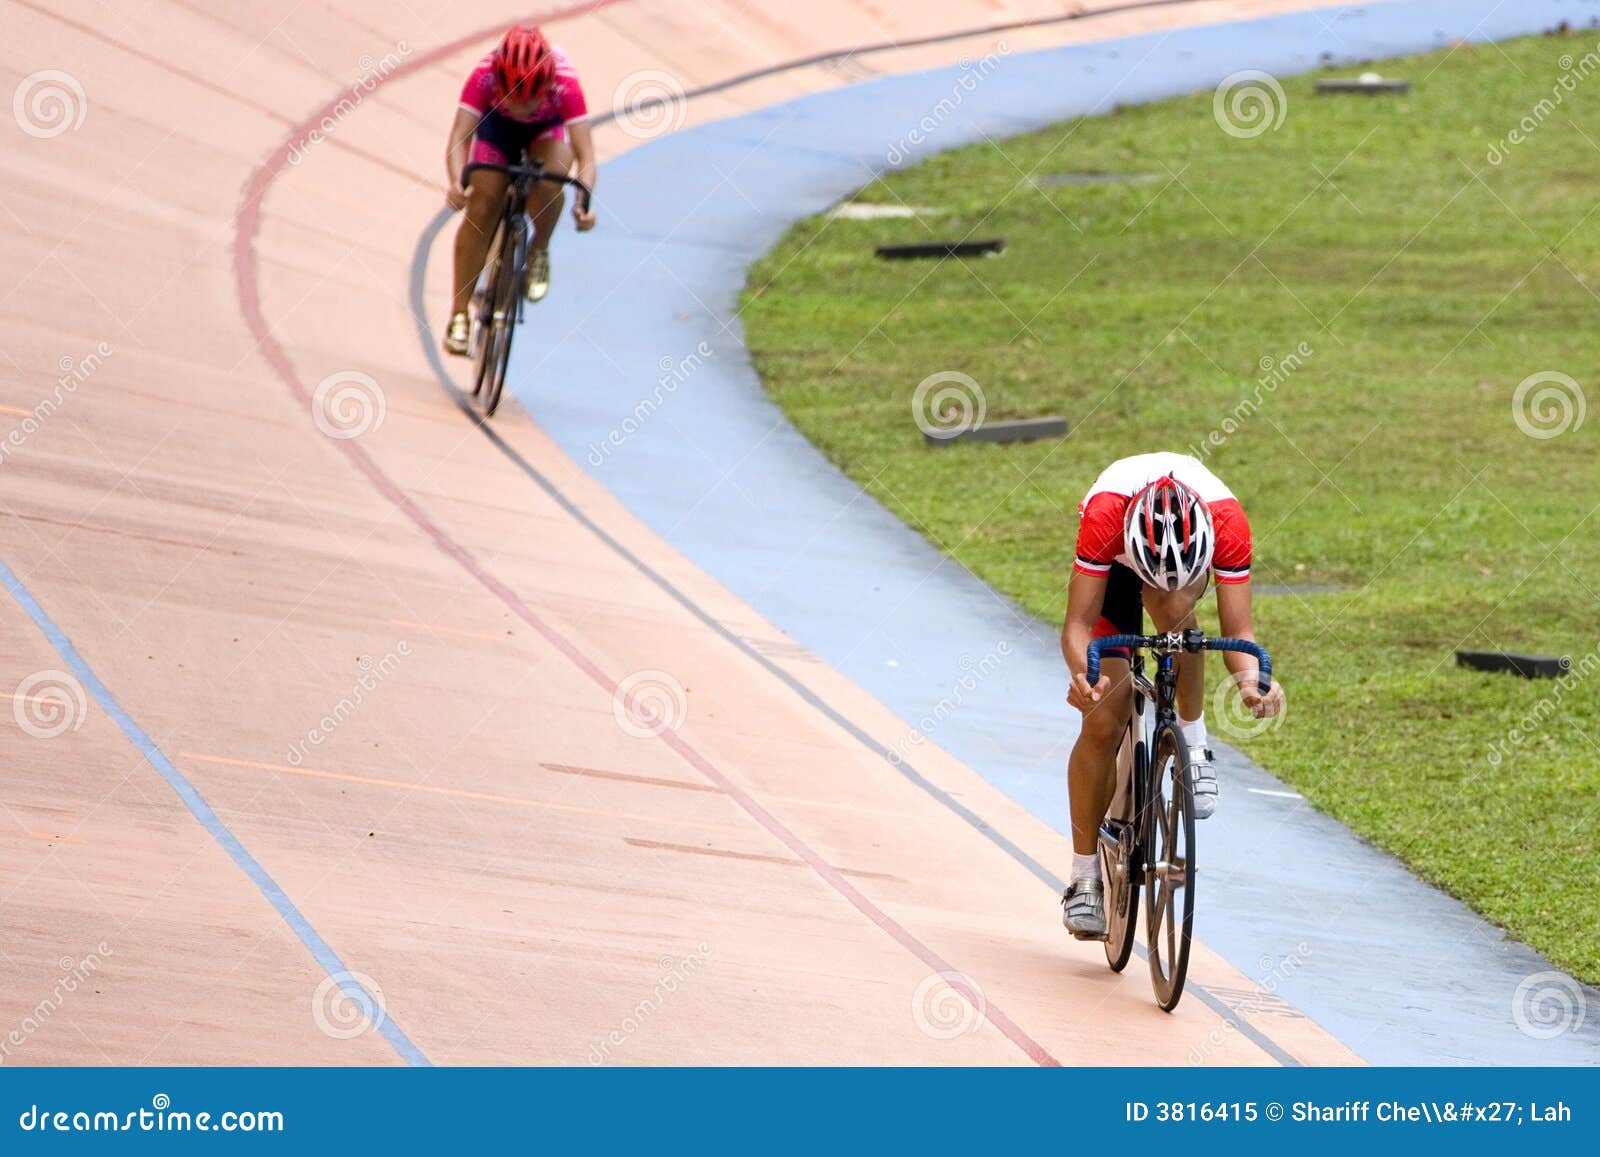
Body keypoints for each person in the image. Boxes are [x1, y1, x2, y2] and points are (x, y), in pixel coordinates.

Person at [1058, 453, 1283, 939]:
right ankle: (1083, 876)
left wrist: (1252, 679)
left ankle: (1193, 741)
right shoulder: (1105, 516)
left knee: (1175, 608)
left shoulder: (1227, 522)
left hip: (1183, 569)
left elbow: (1239, 633)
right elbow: (1078, 626)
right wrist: (1086, 678)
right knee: (1104, 717)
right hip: (1117, 569)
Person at [442, 25, 597, 356]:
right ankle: (459, 313)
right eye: (513, 99)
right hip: (497, 131)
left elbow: (586, 156)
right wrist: (456, 183)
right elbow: (459, 137)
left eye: (531, 100)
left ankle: (539, 248)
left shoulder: (565, 83)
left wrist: (583, 203)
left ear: (547, 85)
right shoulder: (483, 76)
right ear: (499, 83)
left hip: (547, 131)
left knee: (552, 177)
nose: (522, 108)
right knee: (482, 205)